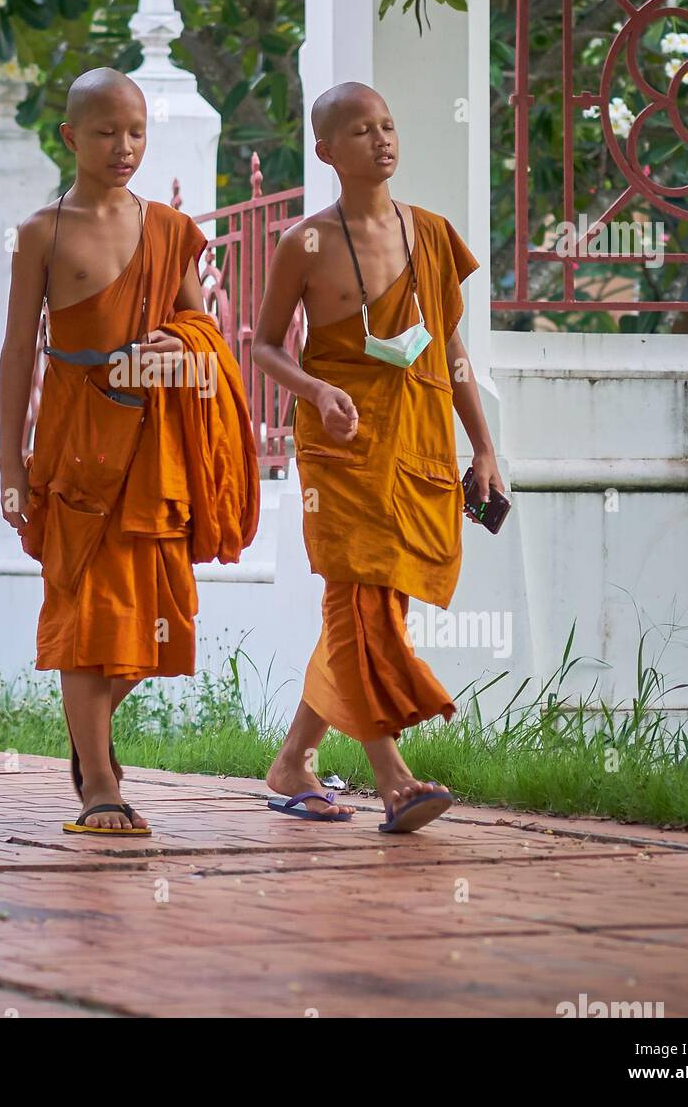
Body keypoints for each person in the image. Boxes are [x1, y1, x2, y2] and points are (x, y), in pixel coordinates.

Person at [0, 67, 259, 835]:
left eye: (137, 131)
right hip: (78, 444)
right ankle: (99, 786)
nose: (124, 146)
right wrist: (9, 465)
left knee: (160, 614)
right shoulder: (42, 233)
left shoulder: (172, 231)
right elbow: (19, 350)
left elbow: (203, 334)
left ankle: (91, 738)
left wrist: (177, 345)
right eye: (107, 131)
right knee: (86, 614)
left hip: (154, 447)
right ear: (71, 136)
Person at [251, 81, 505, 832]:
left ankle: (293, 760)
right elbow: (262, 347)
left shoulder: (429, 233)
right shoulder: (305, 242)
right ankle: (395, 778)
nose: (382, 139)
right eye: (361, 130)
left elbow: (452, 349)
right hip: (340, 446)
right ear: (328, 151)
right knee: (355, 601)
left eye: (388, 125)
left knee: (372, 604)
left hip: (418, 440)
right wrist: (316, 389)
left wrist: (484, 446)